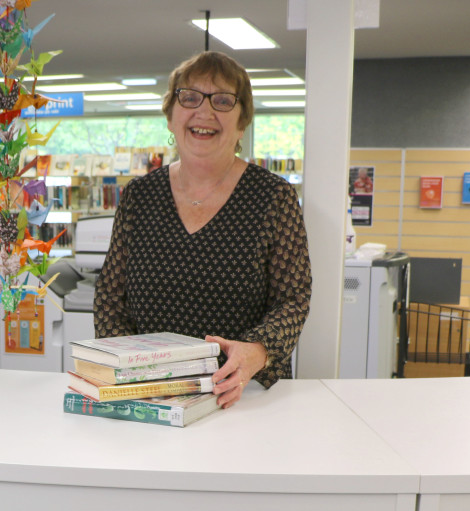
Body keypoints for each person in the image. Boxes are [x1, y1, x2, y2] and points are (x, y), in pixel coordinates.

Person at [94, 51, 312, 409]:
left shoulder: (273, 197)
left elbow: (293, 299)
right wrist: (129, 372)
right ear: (170, 115)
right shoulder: (139, 196)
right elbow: (109, 296)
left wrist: (257, 352)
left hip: (241, 397)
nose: (205, 112)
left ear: (242, 124)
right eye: (190, 97)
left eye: (223, 101)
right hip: (150, 397)